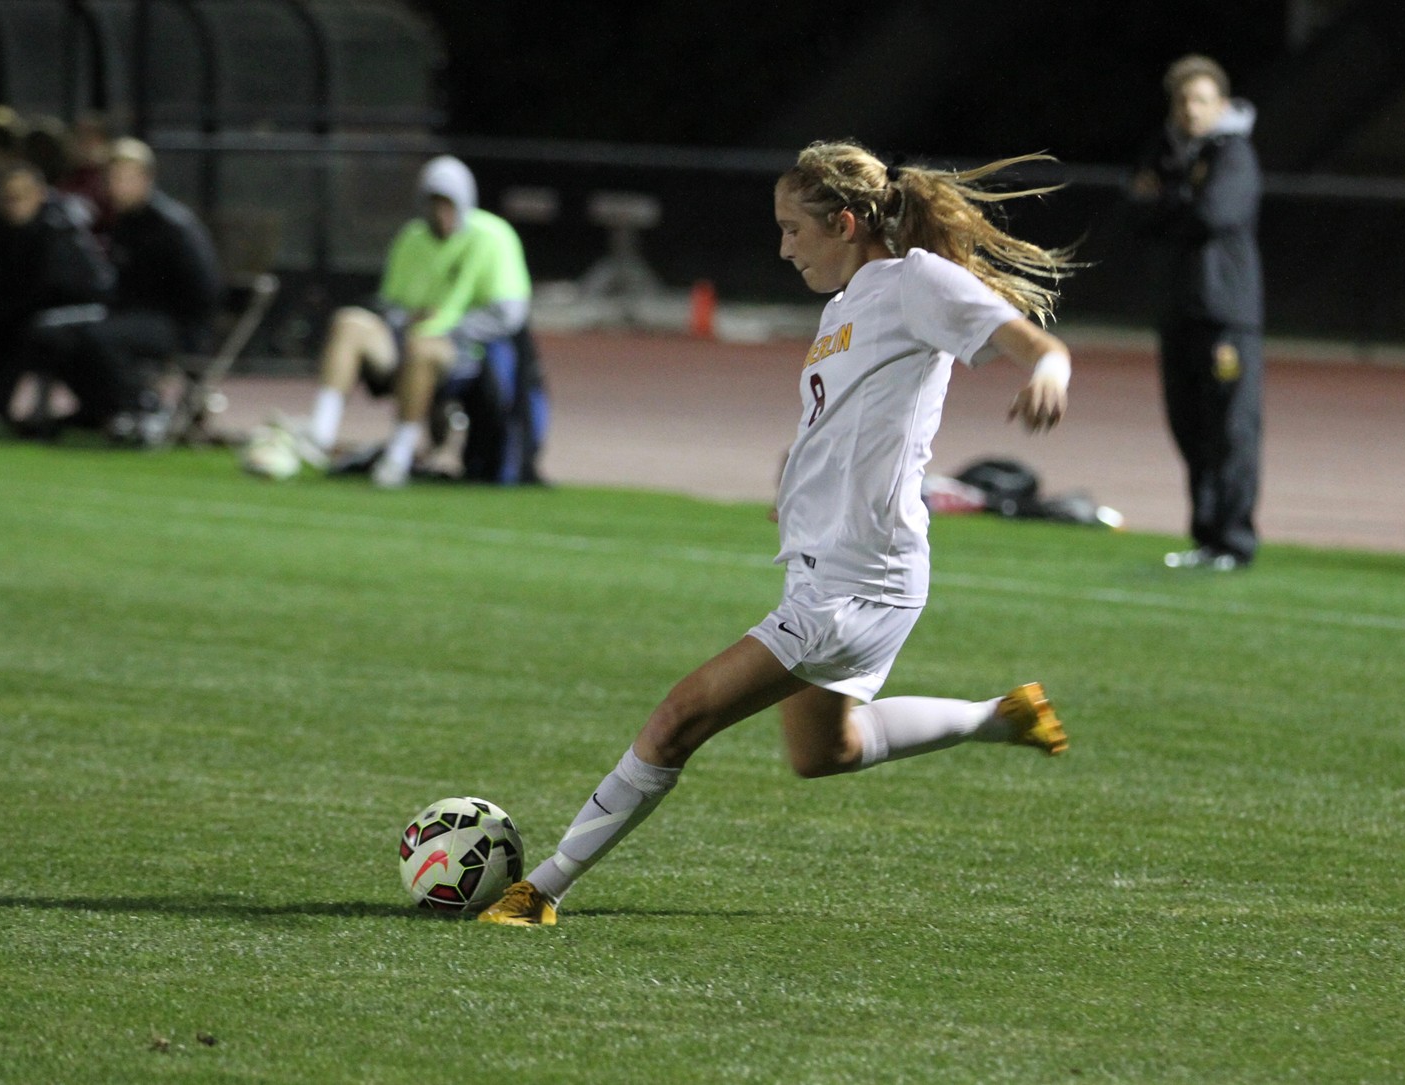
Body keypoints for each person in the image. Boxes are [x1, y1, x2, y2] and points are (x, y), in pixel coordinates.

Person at [479, 140, 1075, 927]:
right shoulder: (844, 310)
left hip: (857, 580)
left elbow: (1033, 341)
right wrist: (799, 478)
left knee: (675, 720)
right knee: (824, 750)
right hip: (834, 570)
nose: (783, 247)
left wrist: (1048, 370)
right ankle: (999, 716)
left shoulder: (913, 283)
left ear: (848, 221)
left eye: (795, 229)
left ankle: (539, 891)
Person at [285, 155, 536, 487]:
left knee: (423, 347)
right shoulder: (411, 238)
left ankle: (398, 457)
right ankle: (320, 433)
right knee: (350, 322)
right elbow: (390, 303)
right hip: (405, 338)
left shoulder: (493, 237)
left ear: (465, 203)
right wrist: (404, 317)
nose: (440, 213)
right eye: (433, 204)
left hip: (462, 352)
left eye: (448, 204)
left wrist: (452, 326)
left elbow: (510, 313)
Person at [1128, 54, 1264, 571]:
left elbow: (1216, 214)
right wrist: (1176, 200)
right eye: (1183, 100)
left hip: (1225, 315)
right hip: (1178, 312)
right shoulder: (1164, 151)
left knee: (1231, 429)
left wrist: (1167, 201)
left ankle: (1235, 541)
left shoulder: (1234, 154)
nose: (1191, 110)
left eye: (1202, 100)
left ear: (1222, 105)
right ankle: (1206, 537)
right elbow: (1134, 213)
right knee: (1189, 425)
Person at [43, 137, 222, 440]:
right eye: (112, 178)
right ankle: (99, 407)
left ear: (146, 179)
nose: (117, 186)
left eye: (126, 178)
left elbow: (205, 290)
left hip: (175, 323)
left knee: (99, 336)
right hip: (129, 315)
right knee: (51, 331)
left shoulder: (173, 226)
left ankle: (143, 407)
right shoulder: (122, 221)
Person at [0, 162, 114, 433]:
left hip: (83, 313)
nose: (13, 204)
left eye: (21, 196)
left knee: (35, 331)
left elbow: (53, 292)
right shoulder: (3, 230)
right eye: (7, 197)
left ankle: (17, 411)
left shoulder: (58, 229)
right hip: (22, 314)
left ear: (39, 194)